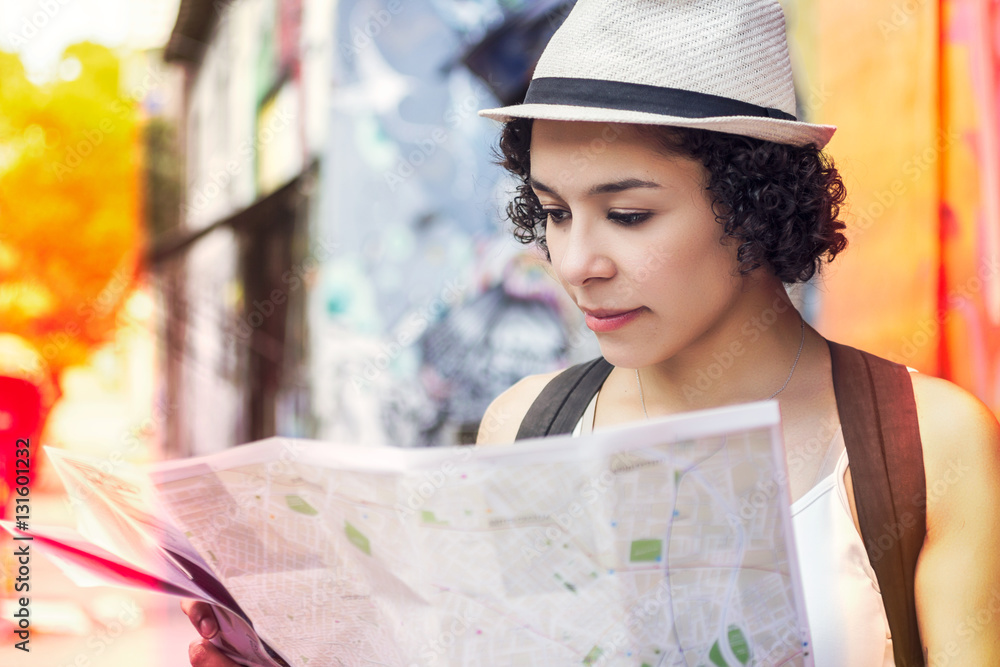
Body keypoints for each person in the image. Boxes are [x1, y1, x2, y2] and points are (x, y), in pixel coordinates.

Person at [184, 1, 1000, 665]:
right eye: (554, 213)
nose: (576, 262)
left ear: (755, 202)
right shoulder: (528, 426)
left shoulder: (925, 442)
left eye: (629, 214)